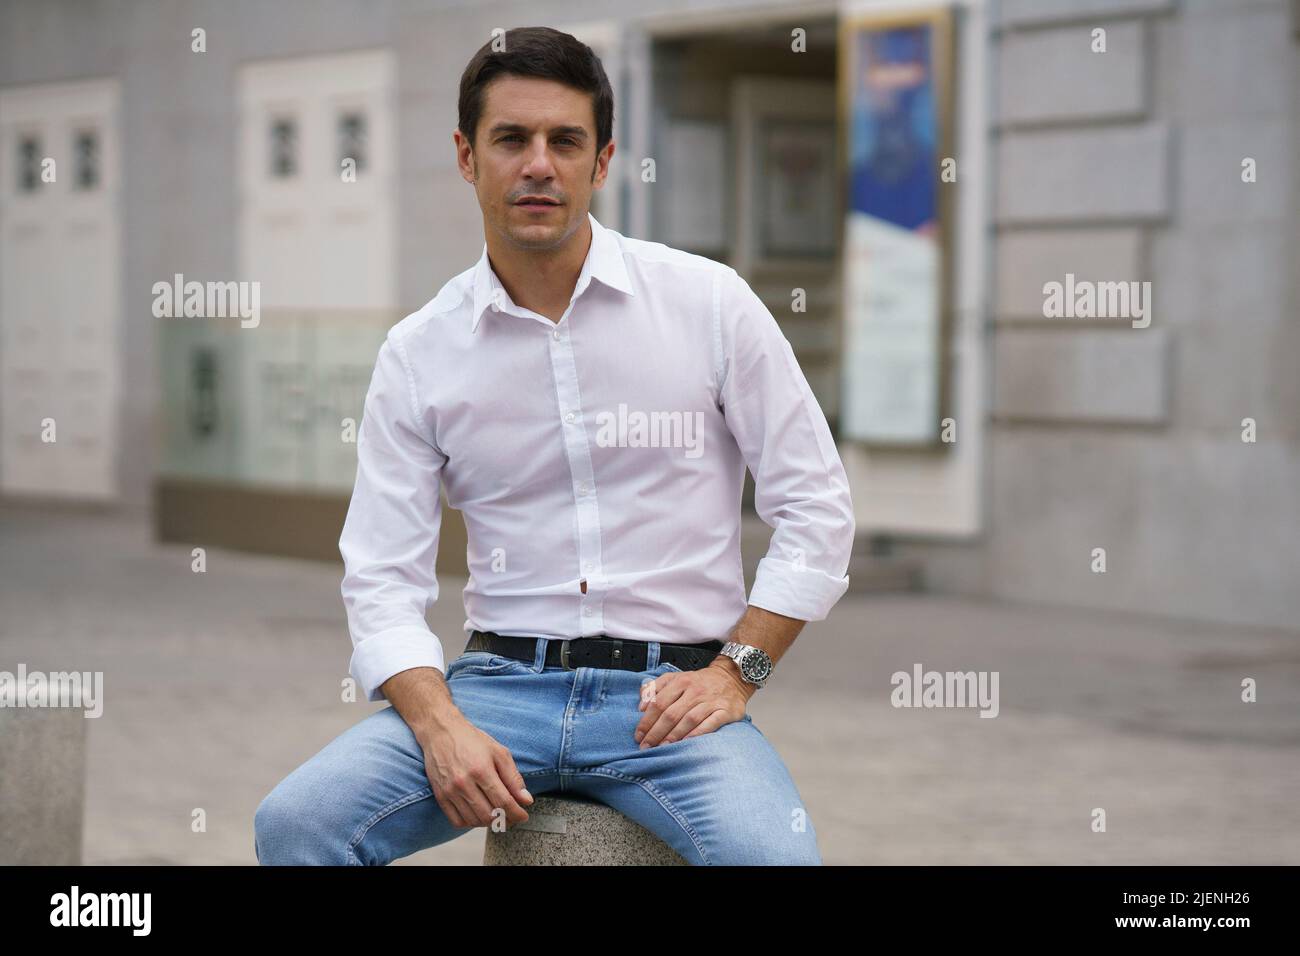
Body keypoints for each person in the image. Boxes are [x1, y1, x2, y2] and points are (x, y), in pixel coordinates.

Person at [254, 25, 855, 866]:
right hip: (496, 692)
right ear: (468, 158)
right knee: (297, 824)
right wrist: (439, 724)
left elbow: (817, 507)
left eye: (565, 141)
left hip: (671, 706)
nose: (539, 164)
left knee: (779, 858)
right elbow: (382, 578)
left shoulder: (708, 304)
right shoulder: (421, 352)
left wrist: (734, 672)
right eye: (511, 139)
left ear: (602, 162)